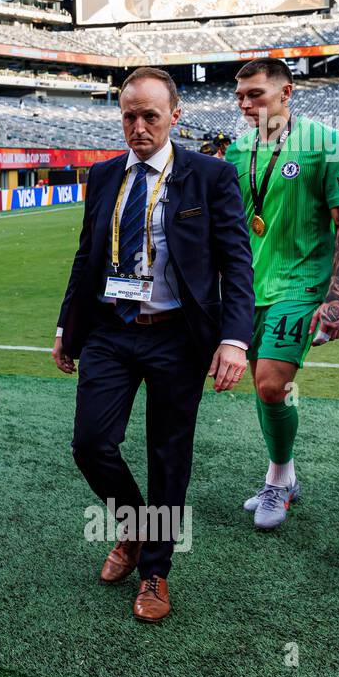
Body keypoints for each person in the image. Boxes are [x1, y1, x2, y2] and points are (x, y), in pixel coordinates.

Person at [54, 67, 253, 623]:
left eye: (149, 115)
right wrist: (67, 328)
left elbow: (236, 262)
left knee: (168, 457)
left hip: (177, 336)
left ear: (175, 115)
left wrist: (234, 339)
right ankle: (138, 527)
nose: (138, 126)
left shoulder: (210, 176)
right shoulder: (103, 176)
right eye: (129, 116)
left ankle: (155, 570)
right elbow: (86, 256)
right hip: (111, 331)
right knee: (91, 444)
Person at [225, 58, 339, 531]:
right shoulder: (238, 149)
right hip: (248, 288)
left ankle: (280, 478)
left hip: (302, 286)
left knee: (270, 381)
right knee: (264, 388)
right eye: (241, 96)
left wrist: (335, 297)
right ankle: (283, 474)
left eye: (257, 95)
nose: (246, 104)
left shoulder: (326, 144)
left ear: (287, 93)